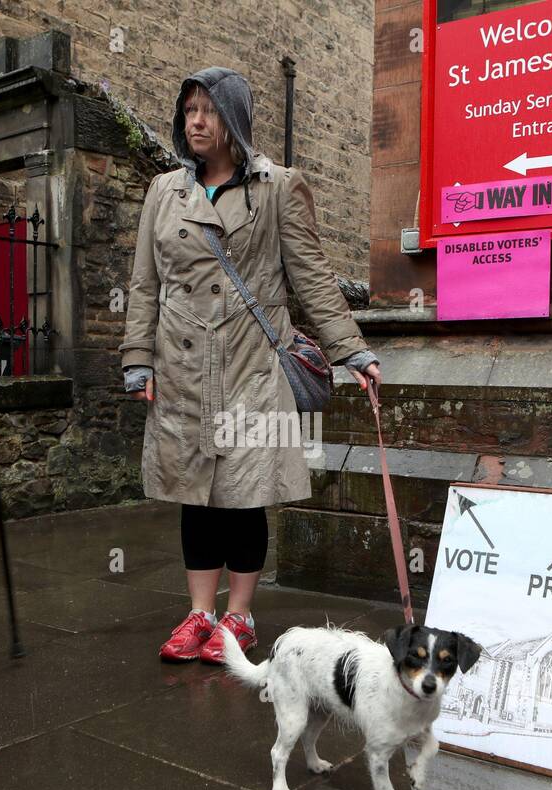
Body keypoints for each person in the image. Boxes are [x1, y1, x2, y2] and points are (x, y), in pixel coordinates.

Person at [119, 67, 381, 665]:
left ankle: (240, 617)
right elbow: (144, 283)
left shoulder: (277, 187)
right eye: (188, 111)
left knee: (244, 495)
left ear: (234, 118)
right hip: (183, 369)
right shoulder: (164, 192)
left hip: (251, 368)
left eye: (208, 110)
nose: (195, 122)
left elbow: (311, 277)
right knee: (195, 496)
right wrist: (138, 359)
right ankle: (199, 614)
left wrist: (351, 349)